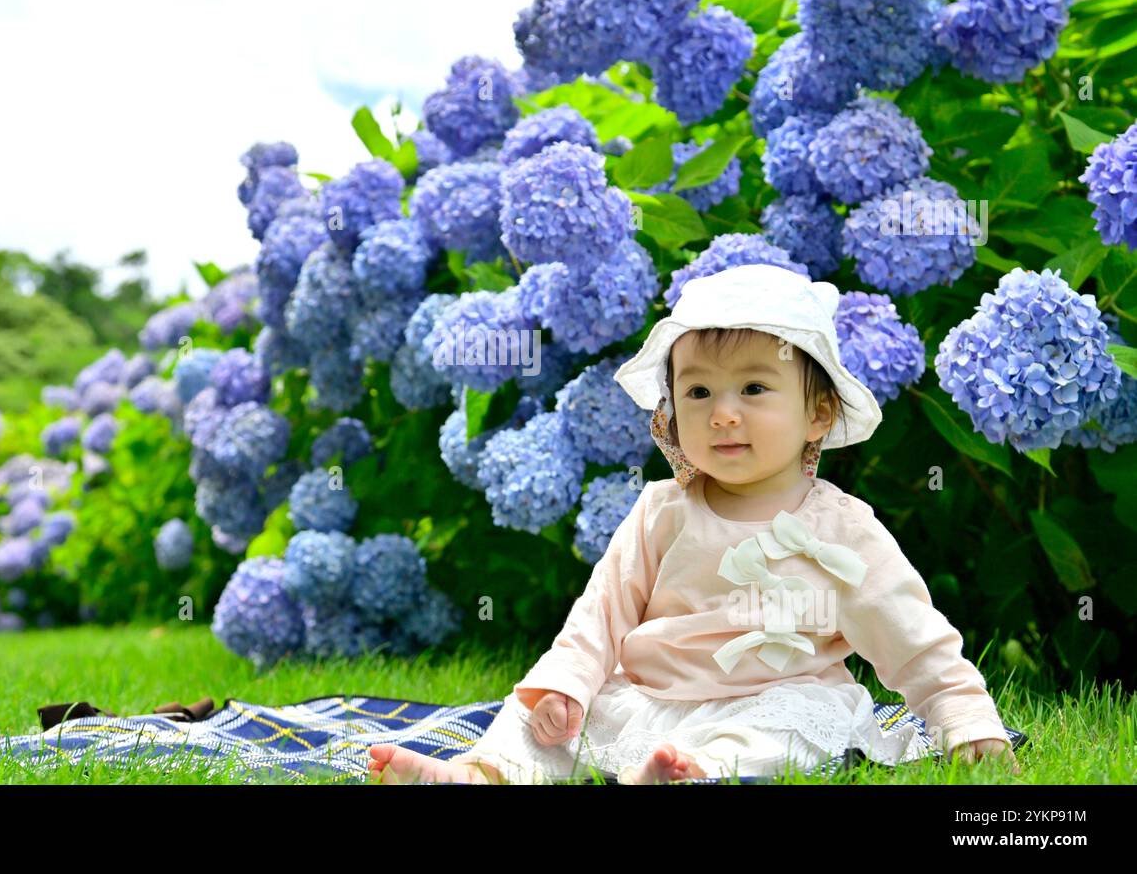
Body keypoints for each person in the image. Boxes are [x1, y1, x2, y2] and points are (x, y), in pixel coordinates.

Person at [369, 264, 1019, 784]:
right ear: (672, 415)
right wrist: (567, 685)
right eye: (699, 392)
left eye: (755, 390)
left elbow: (910, 634)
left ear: (818, 414)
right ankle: (478, 774)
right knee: (539, 712)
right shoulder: (660, 510)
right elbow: (599, 616)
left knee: (802, 721)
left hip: (773, 696)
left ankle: (695, 773)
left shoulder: (842, 528)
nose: (723, 415)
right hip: (649, 700)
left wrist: (963, 717)